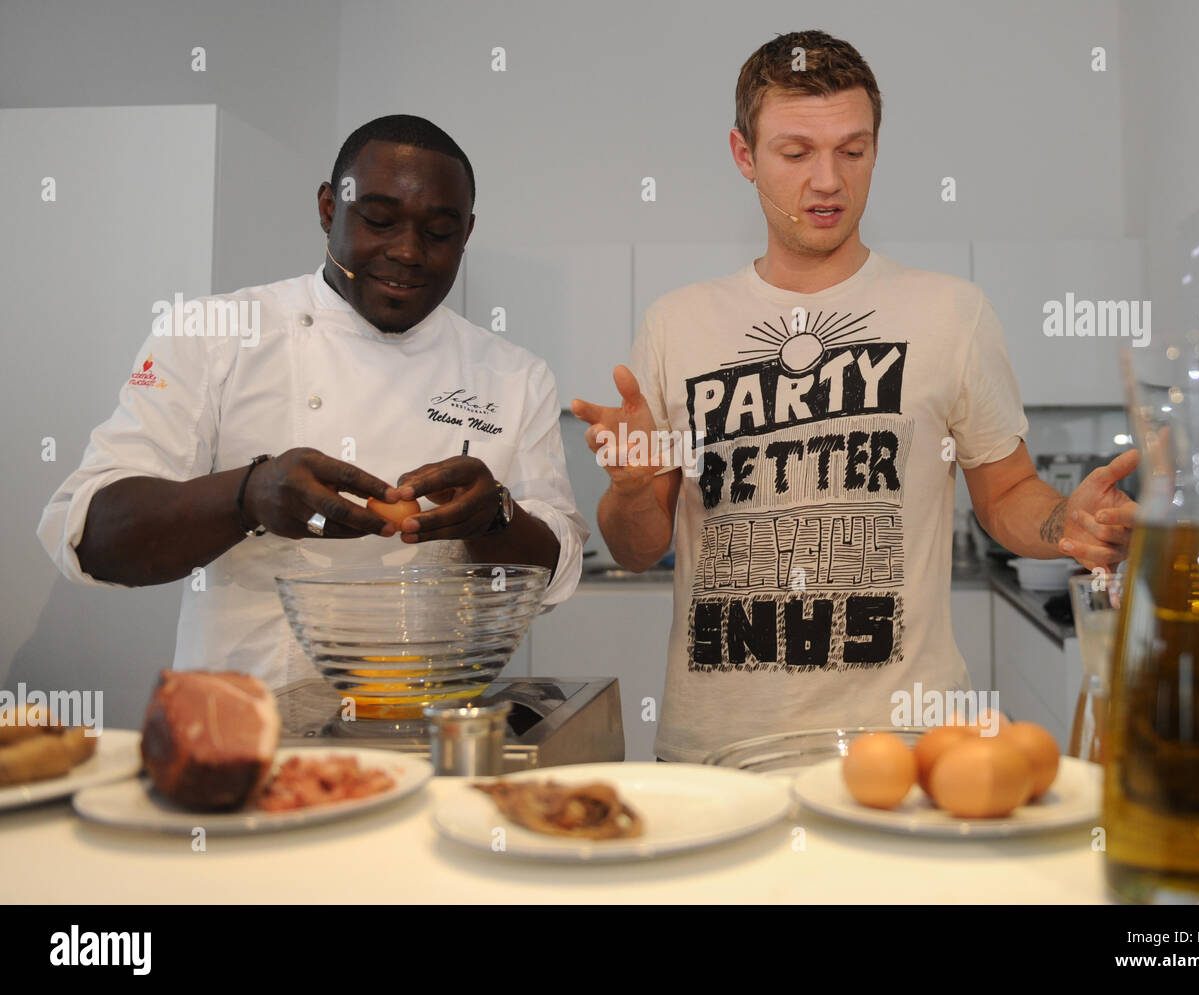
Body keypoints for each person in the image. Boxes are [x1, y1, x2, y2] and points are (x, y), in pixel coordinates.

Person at [572, 31, 1138, 763]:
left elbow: (1005, 494)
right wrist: (626, 489)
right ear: (745, 156)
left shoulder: (950, 312)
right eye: (796, 151)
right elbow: (637, 545)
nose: (829, 180)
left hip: (905, 750)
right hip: (719, 755)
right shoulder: (676, 325)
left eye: (853, 149)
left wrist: (1066, 519)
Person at [39, 114, 588, 686]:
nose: (407, 252)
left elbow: (555, 572)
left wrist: (495, 517)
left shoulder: (515, 374)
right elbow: (89, 535)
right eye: (378, 219)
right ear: (329, 208)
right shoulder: (214, 333)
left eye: (439, 233)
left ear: (467, 234)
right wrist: (247, 496)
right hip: (251, 734)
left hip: (440, 728)